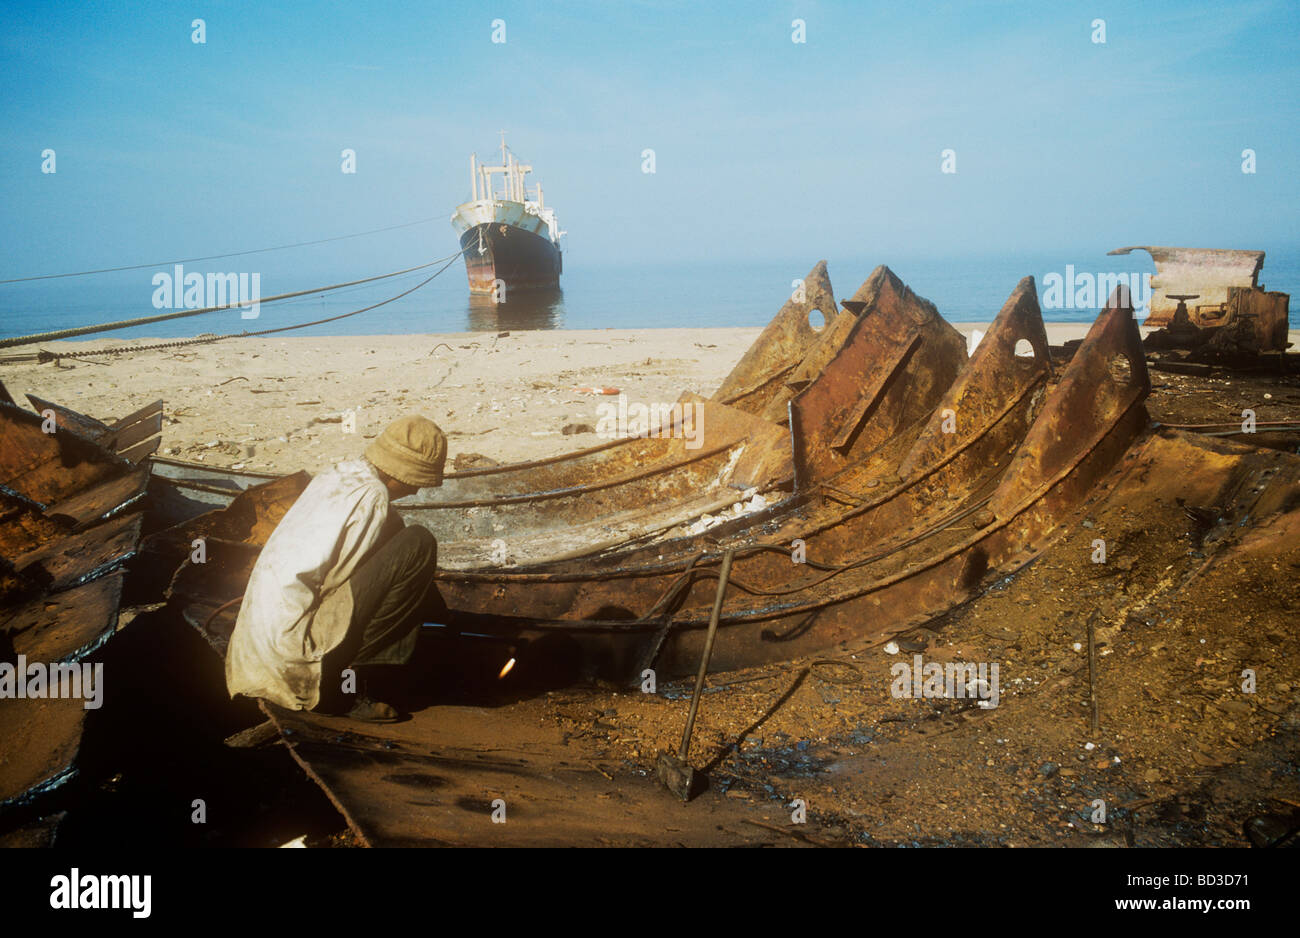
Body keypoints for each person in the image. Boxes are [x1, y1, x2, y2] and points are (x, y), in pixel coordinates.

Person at [225, 415, 446, 722]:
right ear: (402, 474)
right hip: (292, 651)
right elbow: (336, 581)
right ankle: (347, 687)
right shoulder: (373, 495)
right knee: (419, 543)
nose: (417, 492)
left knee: (395, 528)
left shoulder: (339, 472)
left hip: (256, 647)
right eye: (418, 482)